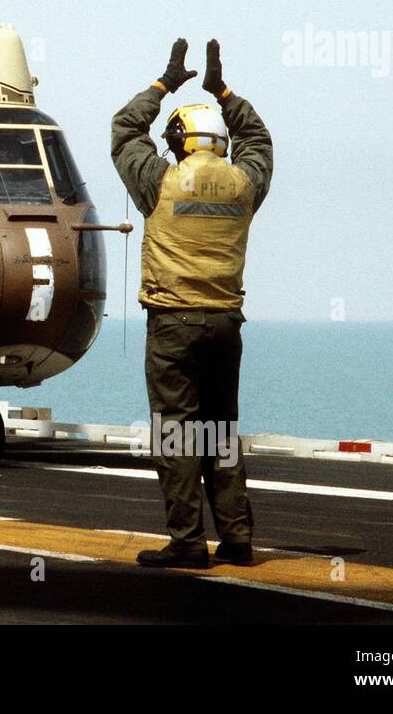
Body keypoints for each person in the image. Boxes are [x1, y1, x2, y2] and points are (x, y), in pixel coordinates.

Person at [111, 38, 273, 569]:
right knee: (221, 429)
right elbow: (259, 140)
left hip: (173, 324)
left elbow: (124, 131)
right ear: (219, 141)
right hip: (226, 324)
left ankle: (186, 542)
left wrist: (164, 84)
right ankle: (238, 540)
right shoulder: (244, 183)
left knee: (178, 432)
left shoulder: (159, 180)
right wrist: (222, 91)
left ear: (179, 142)